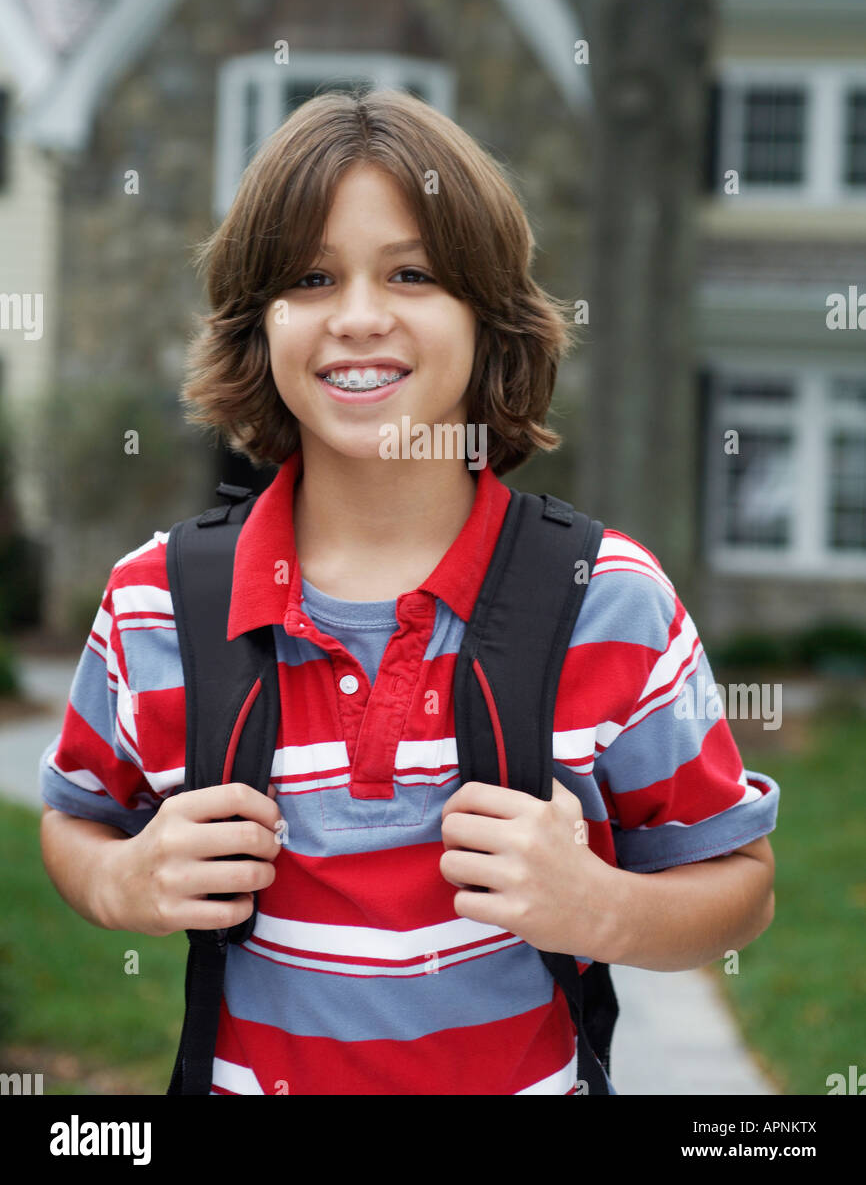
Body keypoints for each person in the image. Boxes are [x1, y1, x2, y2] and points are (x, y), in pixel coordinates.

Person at [39, 88, 779, 1096]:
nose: (357, 317)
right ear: (258, 323)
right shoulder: (154, 602)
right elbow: (75, 819)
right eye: (310, 277)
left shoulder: (607, 599)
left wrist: (599, 907)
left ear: (488, 318)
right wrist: (121, 879)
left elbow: (739, 887)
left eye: (411, 273)